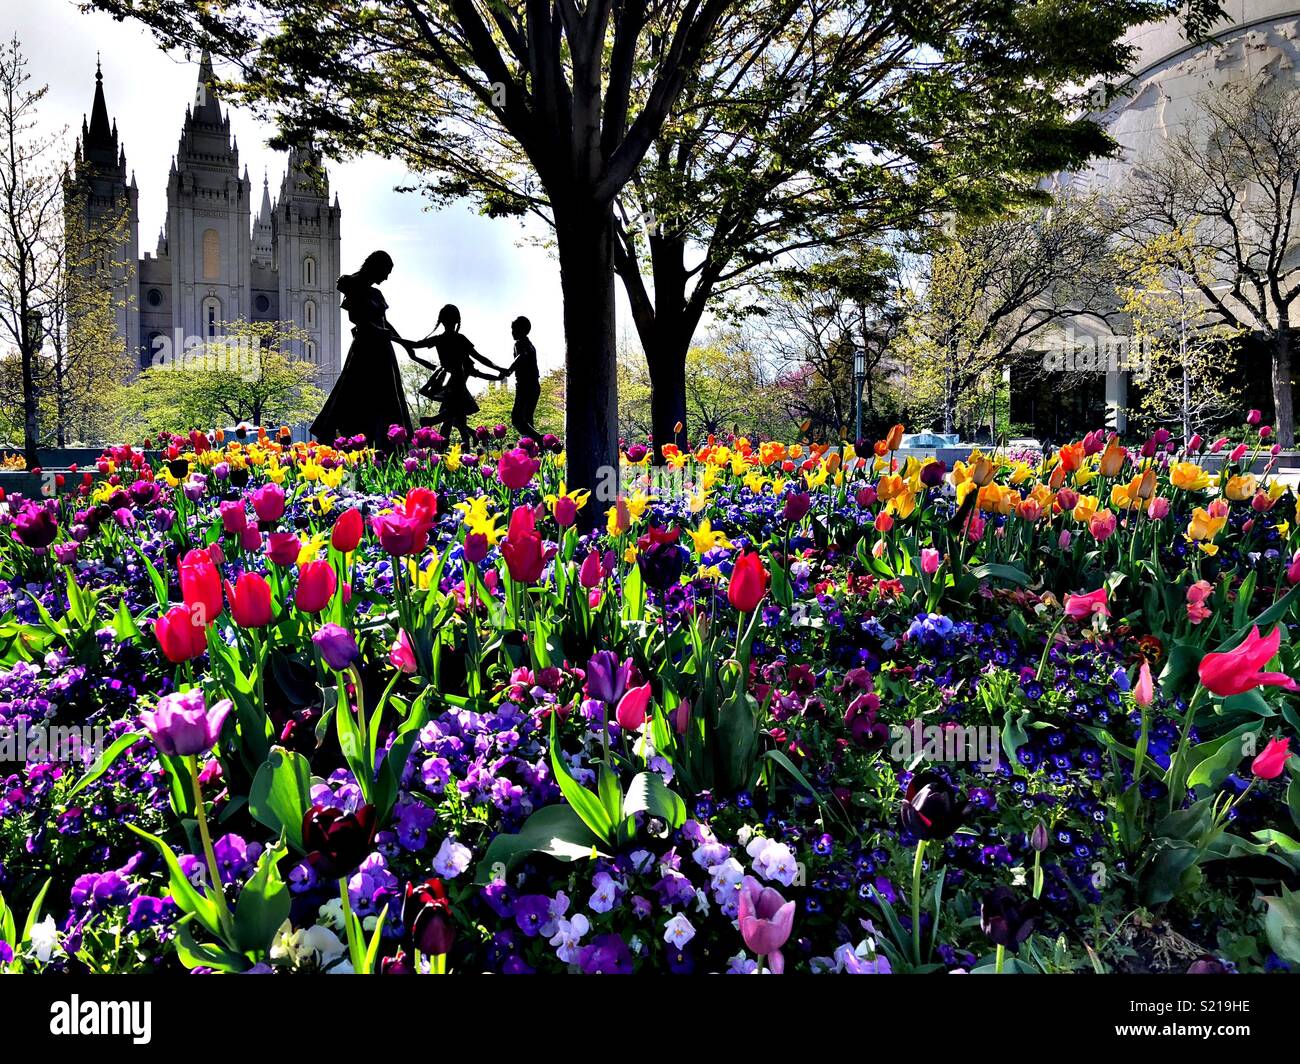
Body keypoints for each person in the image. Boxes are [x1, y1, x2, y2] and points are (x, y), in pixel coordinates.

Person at [311, 250, 415, 451]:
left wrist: (407, 345)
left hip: (382, 351)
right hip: (365, 350)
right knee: (354, 393)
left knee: (386, 399)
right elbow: (360, 320)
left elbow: (384, 323)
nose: (385, 278)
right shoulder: (352, 284)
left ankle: (386, 446)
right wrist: (381, 332)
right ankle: (342, 439)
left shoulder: (376, 294)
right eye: (385, 272)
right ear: (376, 266)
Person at [404, 304, 503, 445]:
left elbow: (416, 345)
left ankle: (440, 431)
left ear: (442, 321)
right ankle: (439, 427)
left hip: (451, 385)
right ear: (457, 321)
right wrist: (499, 371)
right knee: (455, 420)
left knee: (453, 420)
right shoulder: (459, 341)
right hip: (455, 386)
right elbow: (480, 359)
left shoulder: (443, 341)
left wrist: (395, 339)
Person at [504, 316, 541, 440]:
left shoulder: (520, 343)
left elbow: (521, 356)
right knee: (527, 420)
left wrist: (509, 370)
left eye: (514, 329)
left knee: (517, 419)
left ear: (522, 330)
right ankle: (531, 449)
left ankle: (540, 439)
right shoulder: (529, 344)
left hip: (526, 386)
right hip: (534, 386)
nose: (512, 332)